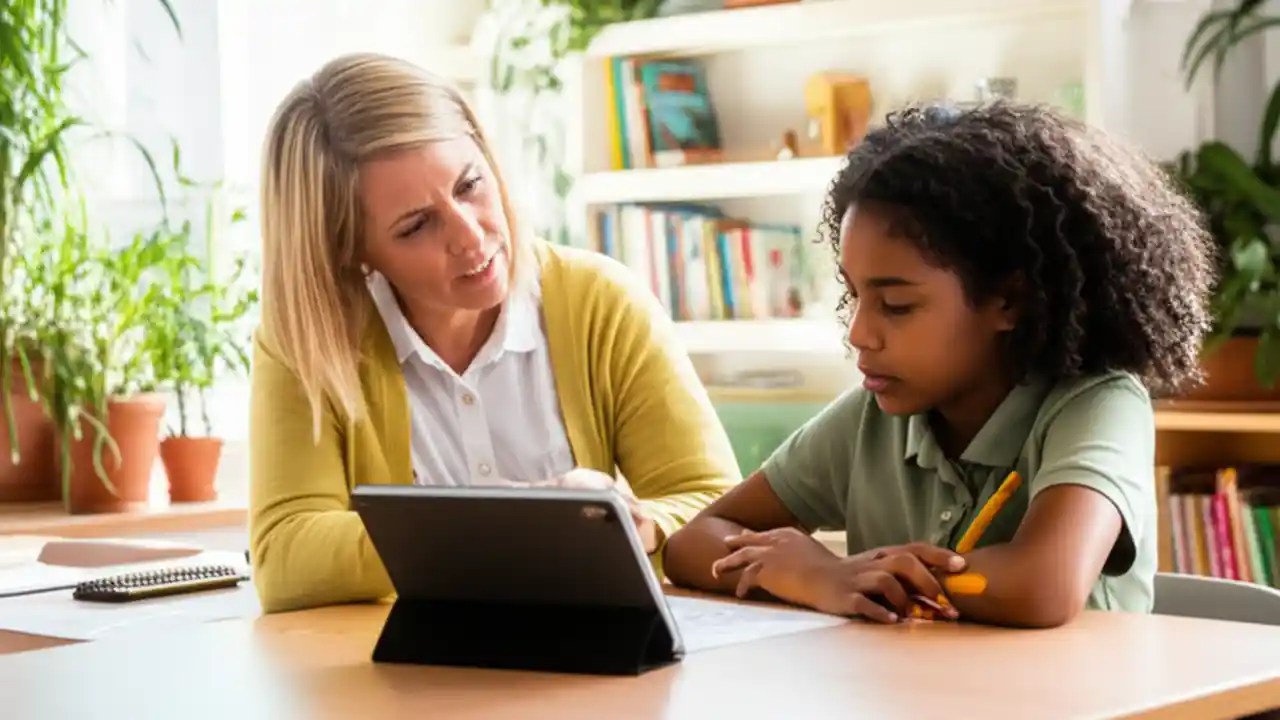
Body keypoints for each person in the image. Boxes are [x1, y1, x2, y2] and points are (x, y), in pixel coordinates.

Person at [664, 102, 1215, 628]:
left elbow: (1043, 584)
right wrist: (820, 579)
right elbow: (694, 543)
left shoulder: (1096, 404)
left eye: (897, 305)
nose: (859, 333)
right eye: (853, 296)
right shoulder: (870, 419)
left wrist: (847, 578)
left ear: (1008, 301)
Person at [249, 53, 741, 613]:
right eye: (415, 225)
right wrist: (510, 521)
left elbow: (720, 508)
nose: (470, 236)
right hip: (408, 691)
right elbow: (284, 557)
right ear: (350, 250)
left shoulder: (601, 303)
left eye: (469, 184)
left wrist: (636, 522)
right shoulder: (308, 342)